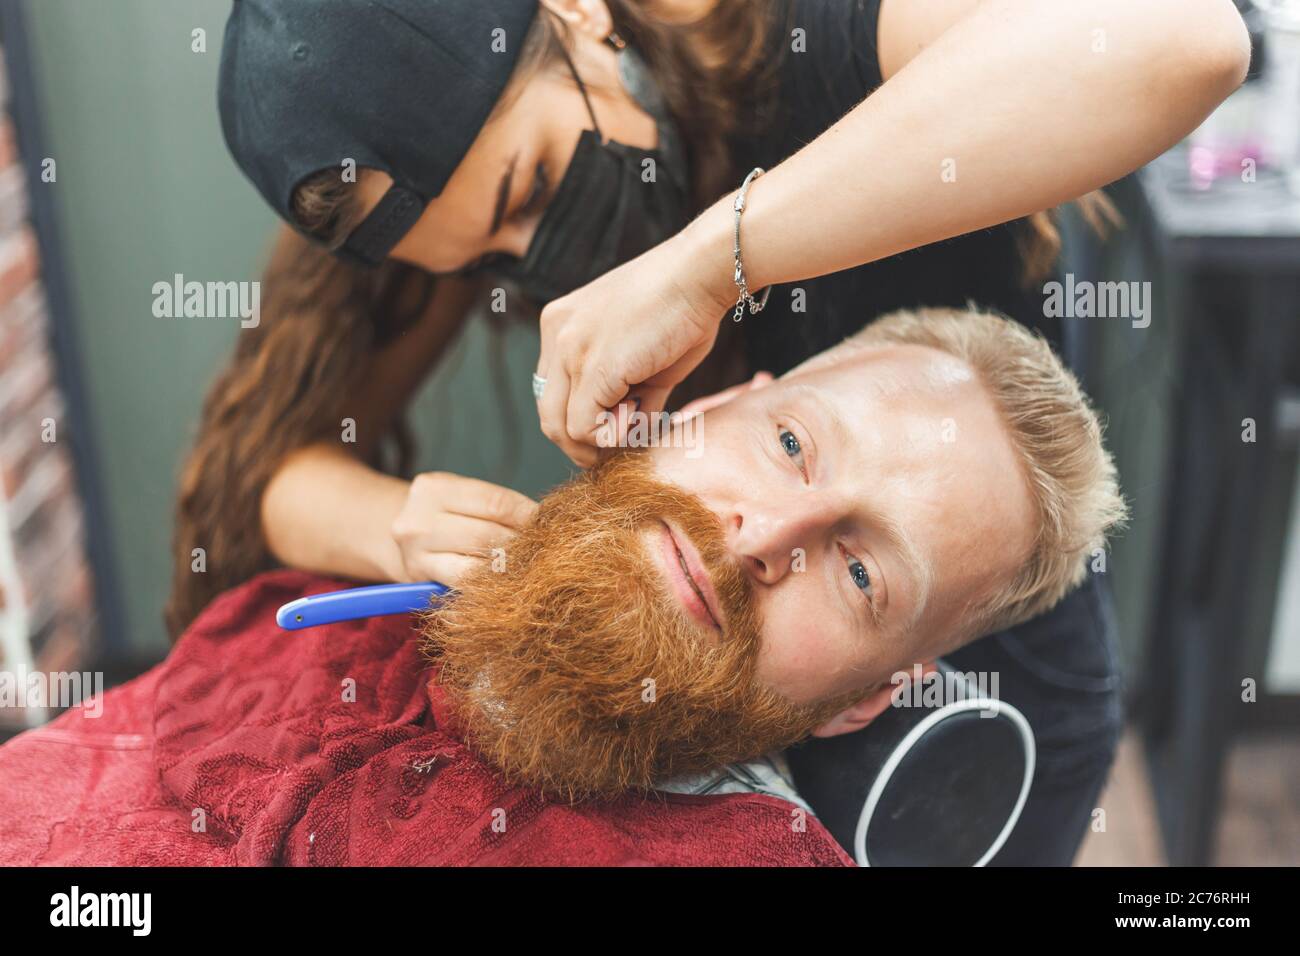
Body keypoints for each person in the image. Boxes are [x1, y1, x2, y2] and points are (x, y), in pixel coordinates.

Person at [171, 0, 1250, 862]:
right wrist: (393, 521)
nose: (532, 250)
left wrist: (709, 258)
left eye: (536, 184)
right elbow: (254, 471)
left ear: (579, 16)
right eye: (488, 259)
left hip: (975, 681)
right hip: (718, 696)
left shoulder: (800, 40)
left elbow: (1182, 40)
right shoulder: (430, 202)